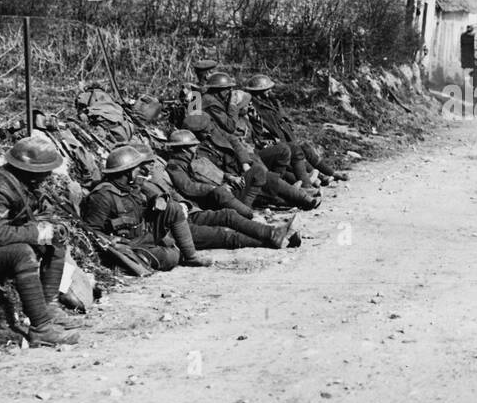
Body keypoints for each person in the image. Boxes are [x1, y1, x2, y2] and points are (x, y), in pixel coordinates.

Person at [0, 134, 82, 346]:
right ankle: (41, 329)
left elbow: (40, 213)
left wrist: (53, 227)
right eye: (45, 170)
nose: (49, 174)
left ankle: (49, 307)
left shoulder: (24, 184)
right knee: (22, 253)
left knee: (55, 241)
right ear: (30, 170)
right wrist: (39, 232)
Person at [82, 146, 215, 272]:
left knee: (173, 208)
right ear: (128, 172)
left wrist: (160, 200)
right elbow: (91, 230)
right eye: (138, 168)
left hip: (142, 234)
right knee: (171, 257)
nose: (142, 170)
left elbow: (155, 196)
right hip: (129, 245)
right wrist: (112, 240)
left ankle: (191, 257)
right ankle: (173, 255)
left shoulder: (131, 186)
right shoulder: (103, 196)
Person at [198, 73, 322, 209]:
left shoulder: (222, 108)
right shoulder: (213, 107)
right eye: (227, 89)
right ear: (218, 90)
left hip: (246, 153)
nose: (229, 93)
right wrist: (233, 105)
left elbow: (253, 134)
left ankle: (298, 193)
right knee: (264, 174)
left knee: (278, 160)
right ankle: (298, 196)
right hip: (237, 160)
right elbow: (230, 129)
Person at [162, 130, 299, 248]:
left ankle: (266, 226)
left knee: (257, 171)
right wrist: (214, 188)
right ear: (184, 149)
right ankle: (253, 217)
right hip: (205, 200)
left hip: (223, 191)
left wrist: (230, 177)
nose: (196, 147)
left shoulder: (195, 158)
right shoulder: (175, 166)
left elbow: (214, 172)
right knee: (225, 214)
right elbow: (188, 187)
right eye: (193, 145)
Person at [243, 74, 348, 184]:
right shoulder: (252, 108)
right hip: (270, 145)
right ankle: (313, 180)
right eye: (267, 89)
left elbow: (284, 119)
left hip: (284, 138)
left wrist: (288, 130)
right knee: (294, 152)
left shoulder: (272, 102)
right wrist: (276, 142)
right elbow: (259, 132)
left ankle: (330, 173)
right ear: (258, 91)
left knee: (304, 147)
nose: (270, 91)